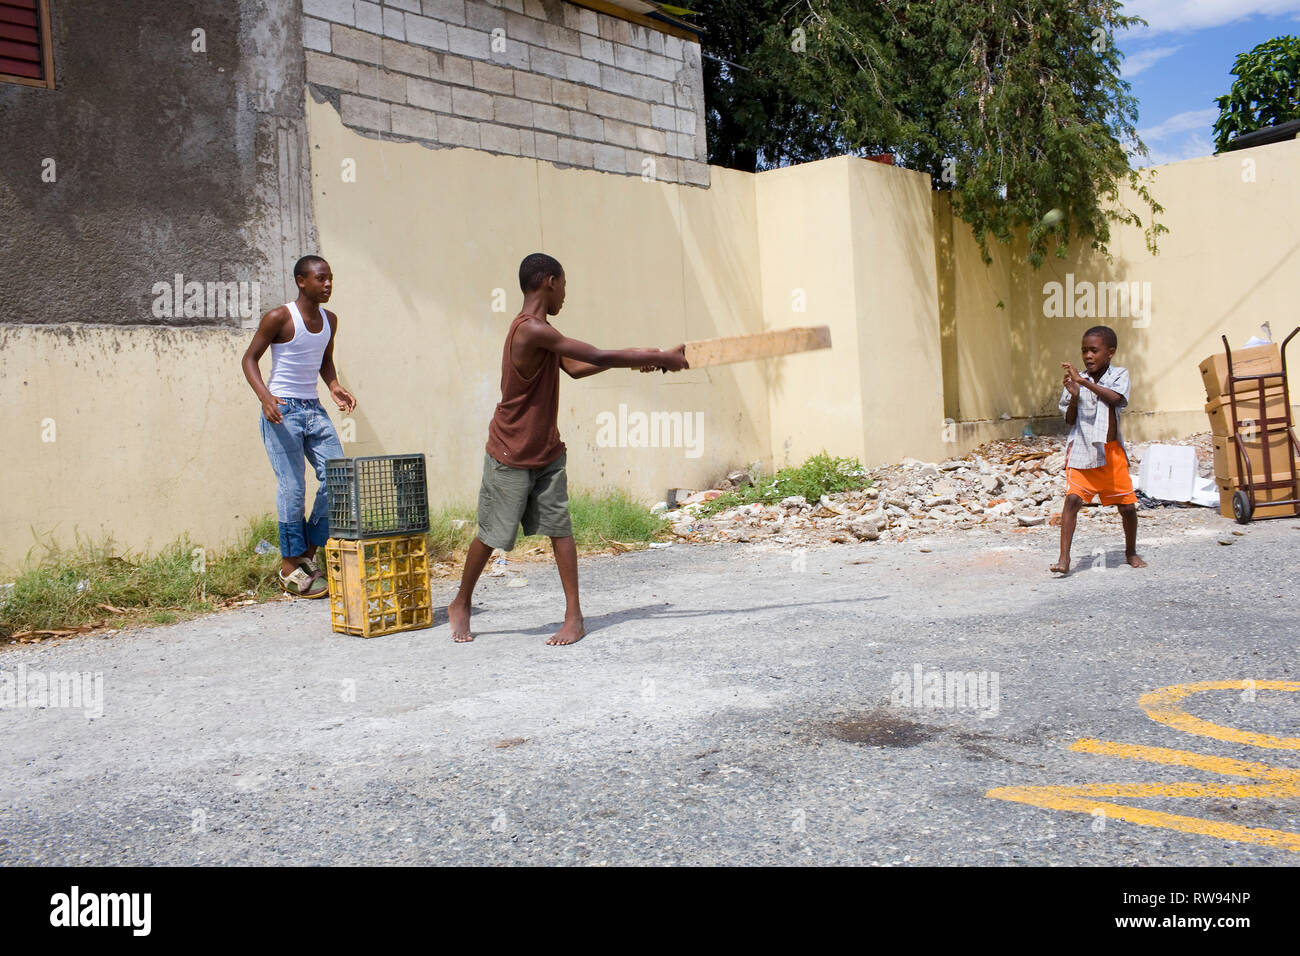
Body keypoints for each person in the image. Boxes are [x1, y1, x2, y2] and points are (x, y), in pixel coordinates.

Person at [448, 253, 687, 646]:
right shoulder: (529, 331)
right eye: (564, 285)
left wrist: (643, 360)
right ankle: (461, 601)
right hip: (510, 450)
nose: (565, 294)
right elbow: (595, 353)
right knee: (492, 533)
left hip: (546, 450)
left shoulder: (544, 331)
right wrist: (658, 356)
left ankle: (574, 615)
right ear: (548, 282)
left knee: (561, 529)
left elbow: (577, 367)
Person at [241, 255, 357, 597]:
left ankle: (308, 553)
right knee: (292, 487)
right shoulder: (279, 317)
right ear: (301, 281)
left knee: (339, 476)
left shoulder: (330, 320)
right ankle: (289, 567)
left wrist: (333, 386)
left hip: (313, 409)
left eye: (330, 278)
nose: (328, 284)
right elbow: (249, 359)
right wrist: (265, 397)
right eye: (320, 279)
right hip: (282, 410)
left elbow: (324, 360)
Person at [1051, 325, 1146, 575]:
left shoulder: (1119, 375)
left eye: (1094, 350)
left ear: (1110, 352)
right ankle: (1064, 559)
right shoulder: (1076, 380)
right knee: (1072, 500)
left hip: (1111, 453)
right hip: (1082, 449)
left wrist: (1084, 383)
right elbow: (1070, 420)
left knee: (1126, 507)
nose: (1088, 356)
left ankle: (1130, 551)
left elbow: (1116, 400)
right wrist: (1074, 395)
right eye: (1084, 351)